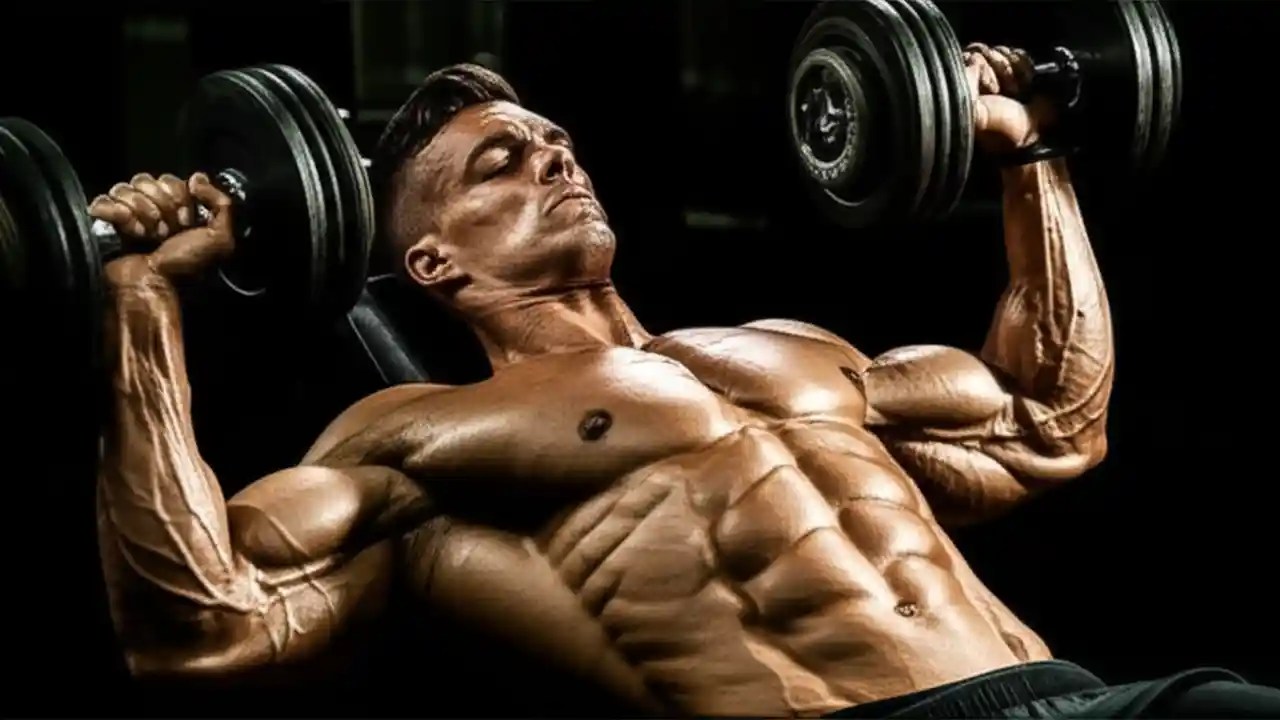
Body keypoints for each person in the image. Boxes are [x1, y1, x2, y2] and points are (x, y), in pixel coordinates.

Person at [86, 46, 1279, 718]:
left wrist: (1031, 152)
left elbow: (1048, 422)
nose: (554, 160)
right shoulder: (418, 433)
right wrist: (142, 304)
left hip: (1068, 698)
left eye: (556, 142)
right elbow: (204, 625)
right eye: (501, 163)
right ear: (431, 260)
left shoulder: (788, 350)